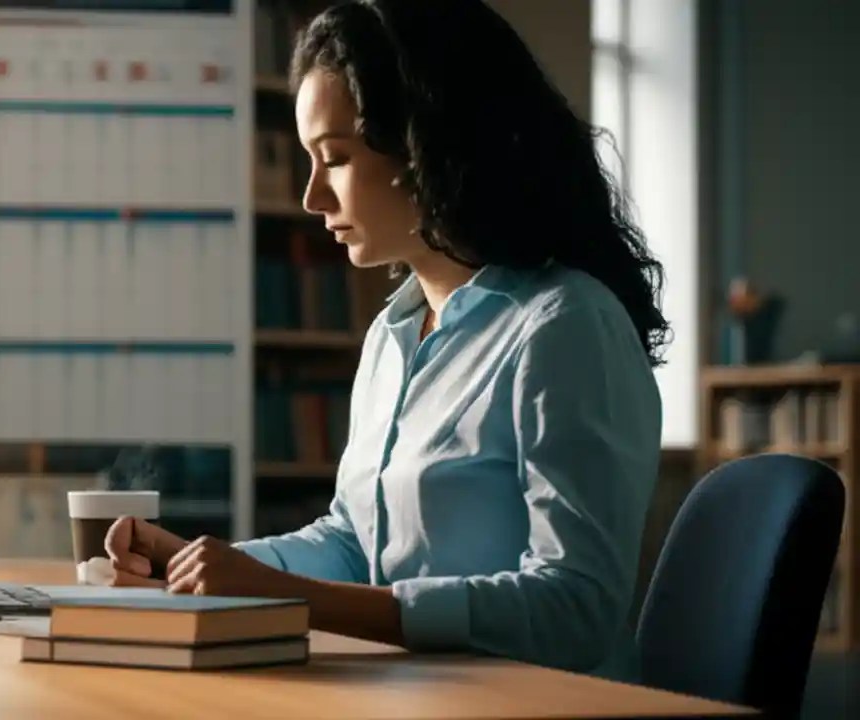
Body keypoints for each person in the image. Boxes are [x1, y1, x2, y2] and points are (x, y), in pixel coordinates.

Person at [105, 0, 668, 682]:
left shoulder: (564, 325)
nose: (313, 196)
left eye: (334, 159)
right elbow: (351, 542)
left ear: (426, 146)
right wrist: (203, 560)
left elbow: (577, 610)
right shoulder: (392, 335)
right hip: (415, 695)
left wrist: (302, 600)